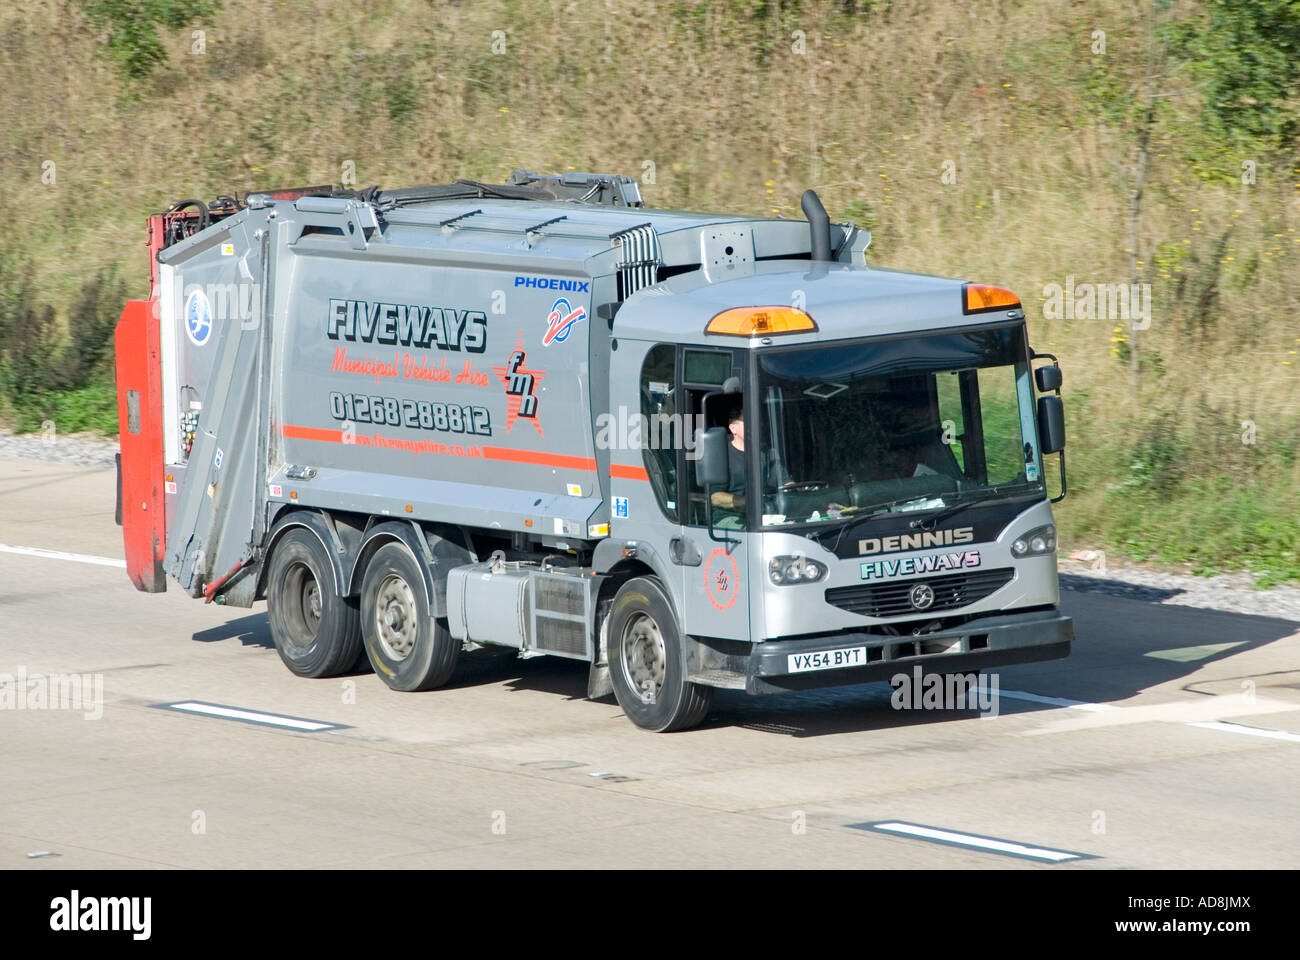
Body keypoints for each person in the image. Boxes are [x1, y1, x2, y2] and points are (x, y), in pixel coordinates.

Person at [710, 405, 746, 517]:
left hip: (766, 515)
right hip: (730, 517)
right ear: (733, 428)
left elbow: (785, 483)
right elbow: (715, 497)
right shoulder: (721, 456)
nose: (755, 424)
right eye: (747, 420)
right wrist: (745, 502)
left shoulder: (767, 452)